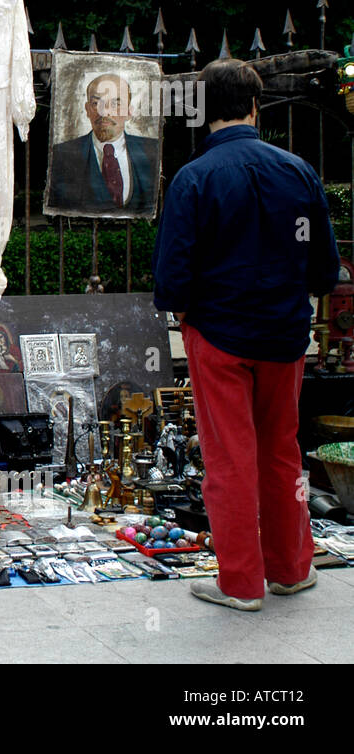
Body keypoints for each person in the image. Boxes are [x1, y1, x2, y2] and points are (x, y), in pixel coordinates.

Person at [153, 58, 339, 611]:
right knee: (283, 452)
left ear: (202, 111)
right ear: (255, 108)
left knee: (229, 459)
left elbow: (171, 282)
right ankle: (290, 568)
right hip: (284, 337)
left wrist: (190, 312)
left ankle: (239, 583)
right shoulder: (298, 170)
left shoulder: (194, 178)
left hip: (218, 336)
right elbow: (325, 270)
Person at [47, 73, 160, 214]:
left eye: (116, 103)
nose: (104, 111)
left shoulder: (152, 150)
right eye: (96, 103)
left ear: (129, 111)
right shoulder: (63, 154)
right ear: (87, 109)